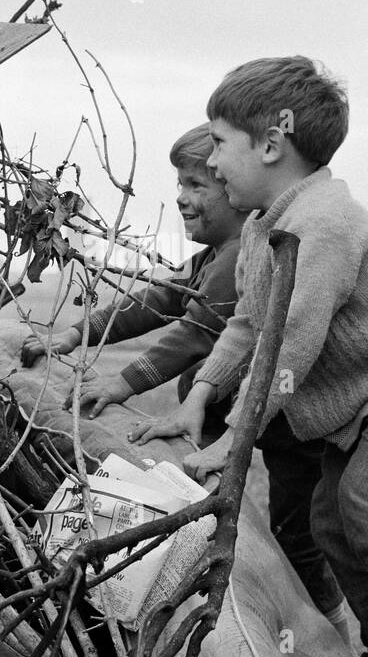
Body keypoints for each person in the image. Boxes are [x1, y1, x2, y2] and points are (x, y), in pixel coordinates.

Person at [132, 56, 368, 657]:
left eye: (221, 143)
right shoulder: (266, 223)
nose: (214, 158)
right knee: (328, 519)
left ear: (270, 145)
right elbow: (246, 320)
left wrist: (232, 441)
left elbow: (288, 348)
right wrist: (202, 397)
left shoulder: (322, 224)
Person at [20, 123, 243, 446]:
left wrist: (123, 383)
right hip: (216, 411)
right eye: (180, 185)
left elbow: (194, 334)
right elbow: (158, 300)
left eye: (196, 185)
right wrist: (77, 334)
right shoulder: (210, 256)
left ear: (236, 188)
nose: (181, 199)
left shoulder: (236, 256)